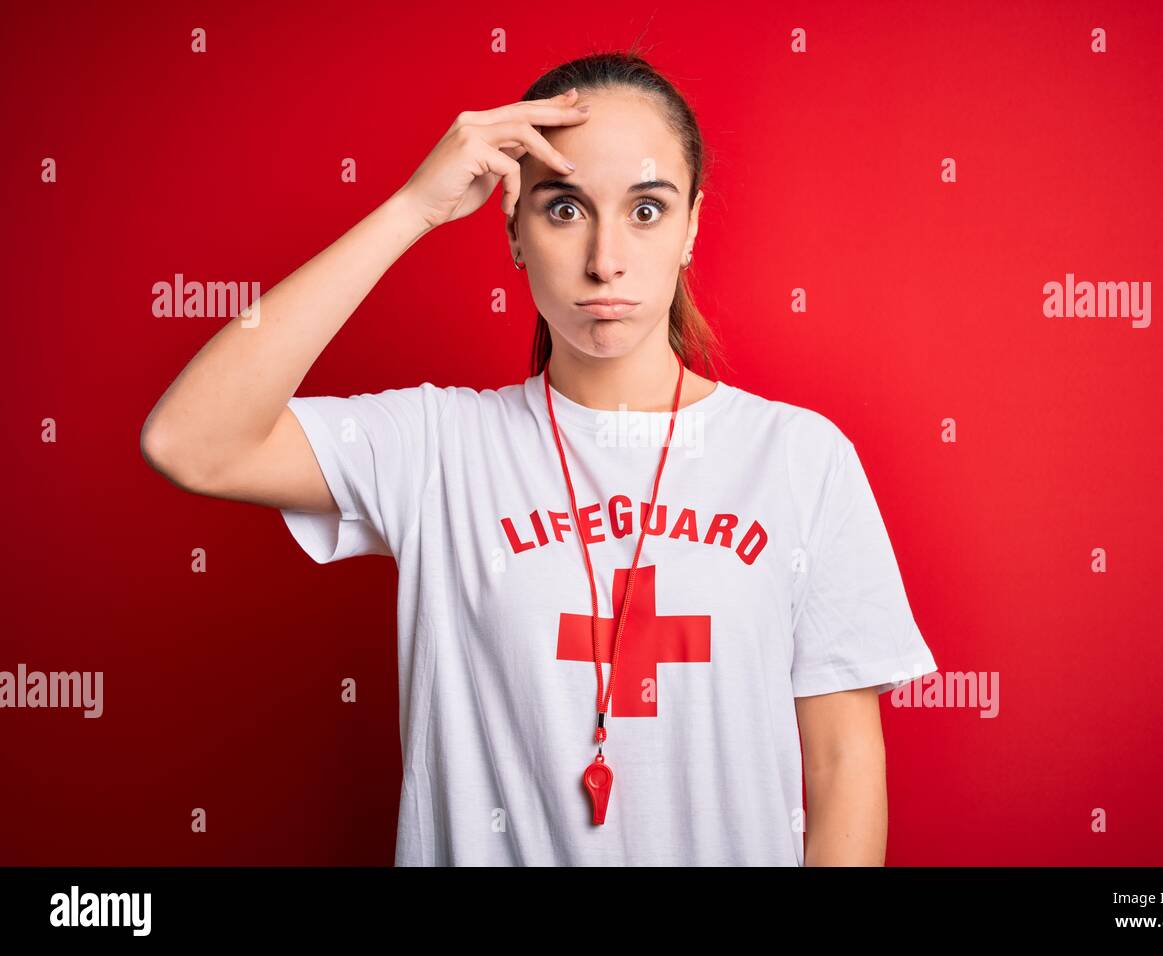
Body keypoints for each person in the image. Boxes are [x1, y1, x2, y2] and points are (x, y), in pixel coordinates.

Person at [140, 50, 938, 867]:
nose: (605, 259)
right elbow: (189, 443)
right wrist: (413, 208)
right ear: (514, 229)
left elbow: (843, 769)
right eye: (563, 210)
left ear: (693, 225)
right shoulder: (437, 448)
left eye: (647, 210)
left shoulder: (802, 459)